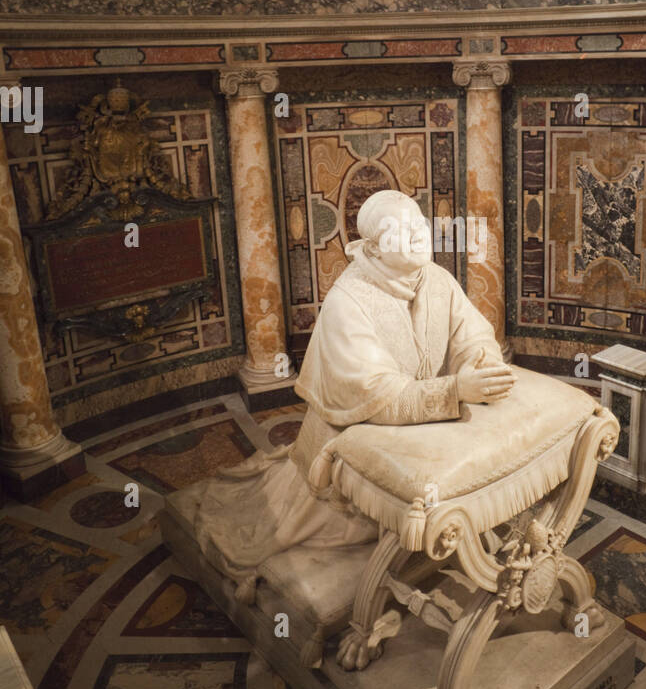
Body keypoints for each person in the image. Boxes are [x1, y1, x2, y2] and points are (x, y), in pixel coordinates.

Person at [172, 190, 513, 602]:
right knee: (355, 526)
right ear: (374, 248)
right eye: (400, 231)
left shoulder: (437, 279)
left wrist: (481, 364)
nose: (419, 235)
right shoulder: (348, 302)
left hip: (426, 428)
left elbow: (472, 334)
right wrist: (455, 389)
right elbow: (375, 396)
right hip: (357, 440)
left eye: (419, 223)